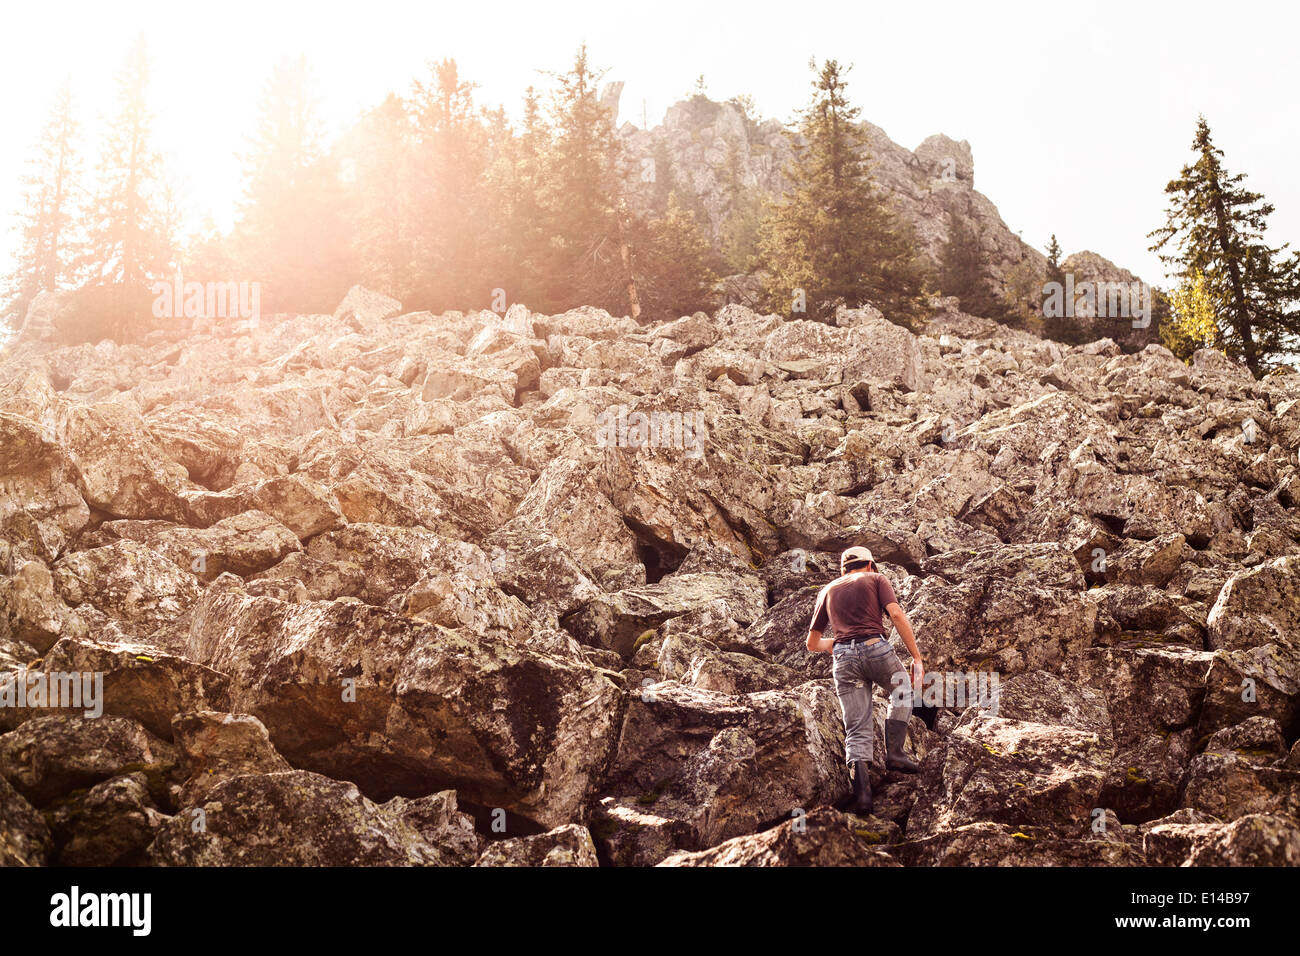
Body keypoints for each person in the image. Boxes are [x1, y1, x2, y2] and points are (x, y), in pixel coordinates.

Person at [805, 546, 923, 815]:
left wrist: (834, 643)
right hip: (875, 648)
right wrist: (916, 657)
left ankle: (863, 799)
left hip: (844, 659)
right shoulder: (876, 579)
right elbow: (895, 614)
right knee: (902, 688)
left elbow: (812, 643)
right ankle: (895, 752)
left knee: (856, 726)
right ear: (870, 565)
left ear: (843, 570)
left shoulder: (828, 590)